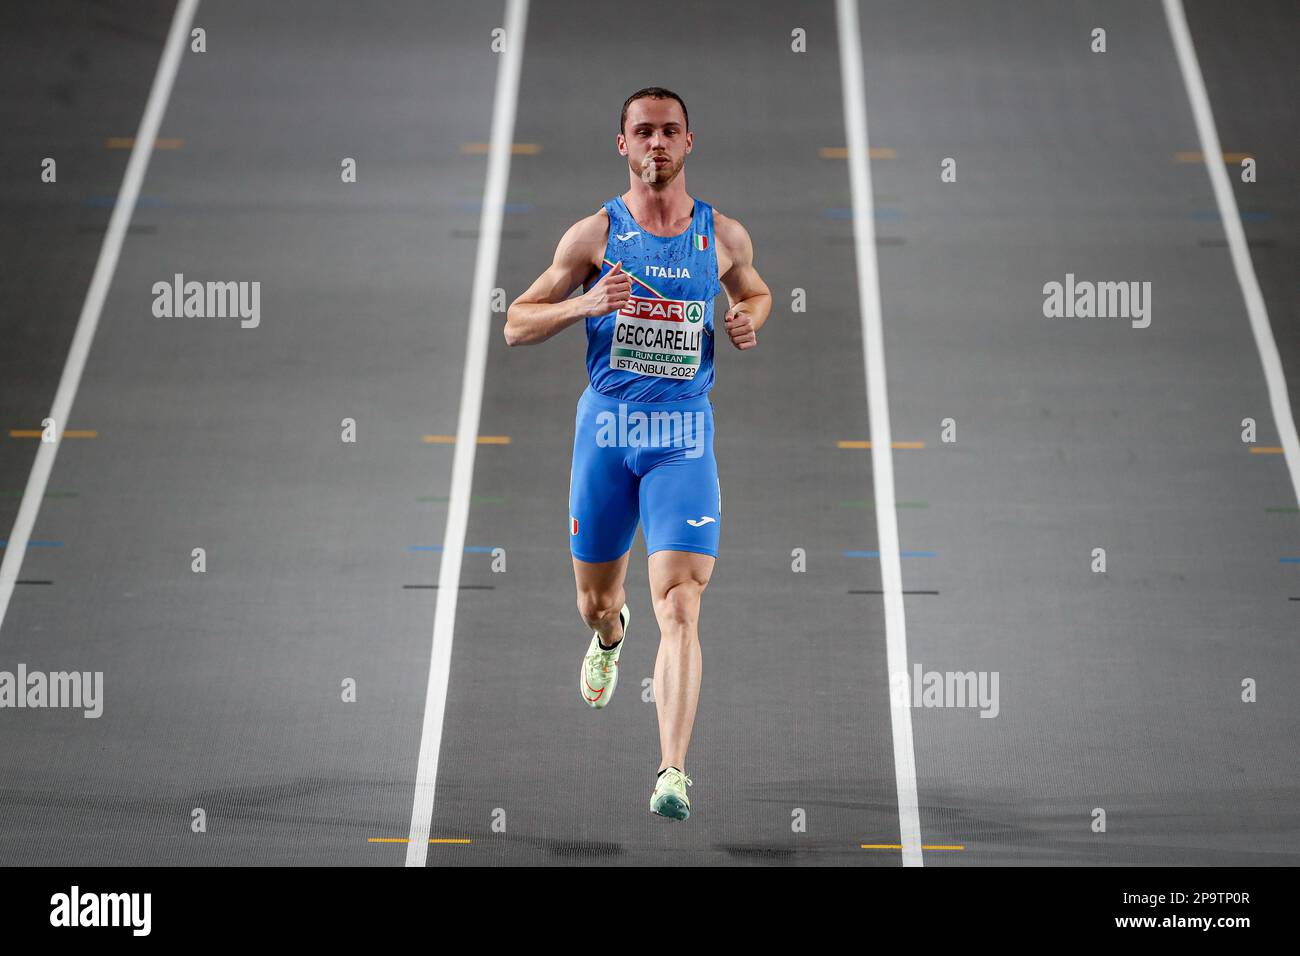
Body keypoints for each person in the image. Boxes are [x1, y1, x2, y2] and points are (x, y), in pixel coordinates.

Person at [504, 87, 771, 820]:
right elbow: (516, 324)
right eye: (643, 132)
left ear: (689, 142)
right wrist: (584, 305)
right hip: (608, 435)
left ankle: (672, 772)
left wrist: (747, 316)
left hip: (682, 435)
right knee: (597, 601)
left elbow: (755, 291)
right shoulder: (593, 236)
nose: (657, 143)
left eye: (670, 132)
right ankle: (609, 638)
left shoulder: (722, 237)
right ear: (622, 144)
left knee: (681, 605)